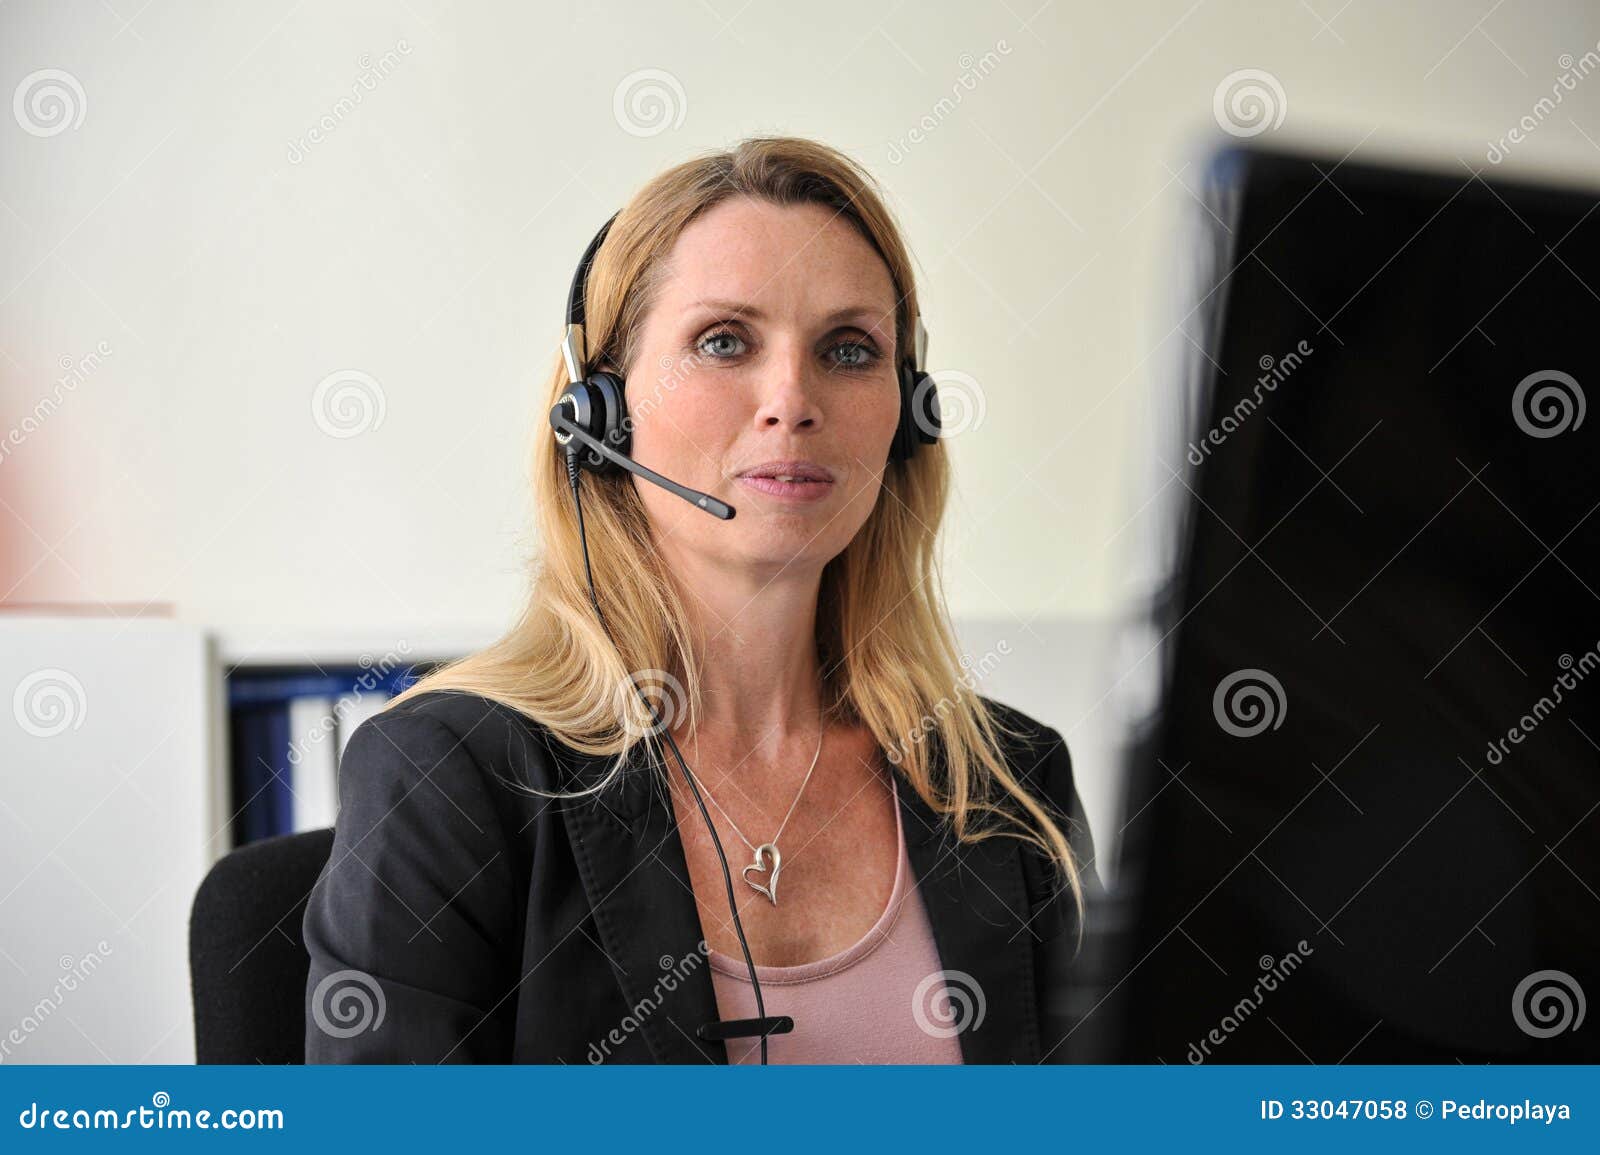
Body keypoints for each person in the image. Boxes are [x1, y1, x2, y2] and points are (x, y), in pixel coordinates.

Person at [303, 135, 1098, 1065]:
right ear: (599, 412)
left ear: (910, 416)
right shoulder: (449, 777)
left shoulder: (1008, 781)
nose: (791, 399)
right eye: (724, 341)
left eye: (849, 349)